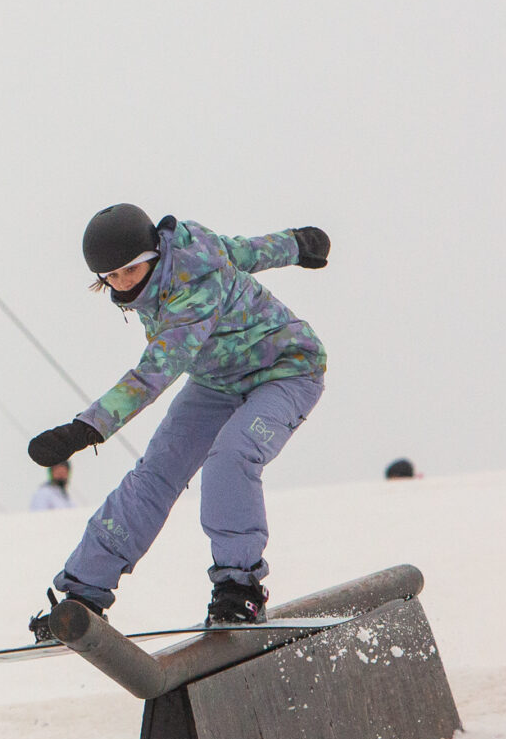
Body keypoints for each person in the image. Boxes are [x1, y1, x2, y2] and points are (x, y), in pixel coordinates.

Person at [24, 204, 330, 636]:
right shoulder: (192, 252)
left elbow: (156, 370)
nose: (123, 285)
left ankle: (237, 586)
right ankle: (84, 593)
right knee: (153, 476)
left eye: (130, 271)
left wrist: (85, 428)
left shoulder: (194, 286)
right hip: (215, 383)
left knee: (231, 456)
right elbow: (246, 251)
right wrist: (298, 245)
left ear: (154, 254)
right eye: (110, 278)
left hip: (286, 371)